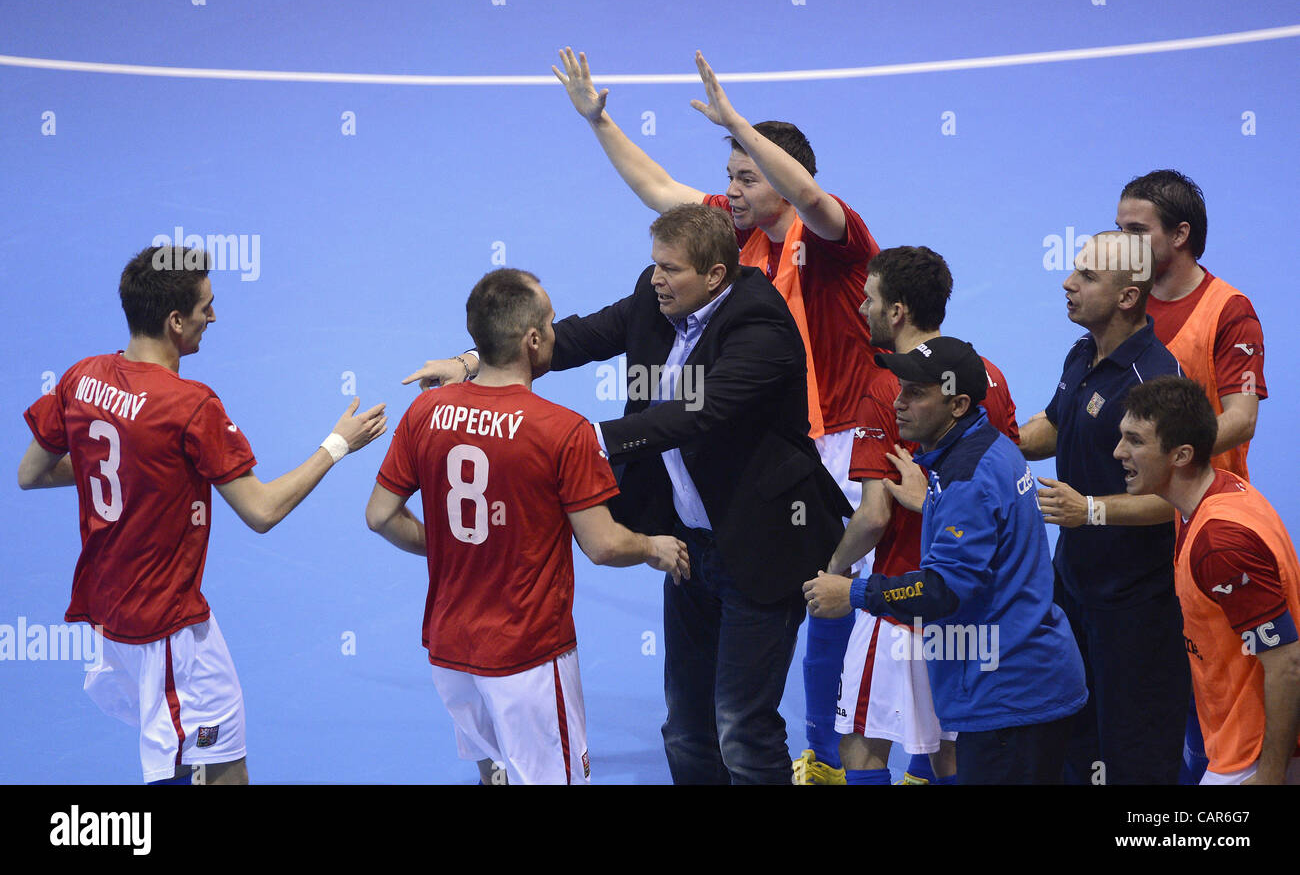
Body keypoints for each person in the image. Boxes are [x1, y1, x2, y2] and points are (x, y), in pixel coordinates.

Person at [403, 204, 851, 784]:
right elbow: (586, 335)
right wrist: (470, 362)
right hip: (689, 542)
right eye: (654, 265)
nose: (656, 278)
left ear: (715, 276)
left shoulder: (760, 326)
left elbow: (698, 412)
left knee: (741, 728)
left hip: (762, 542)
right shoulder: (658, 294)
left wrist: (581, 438)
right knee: (687, 727)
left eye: (671, 269)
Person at [551, 47, 882, 783]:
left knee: (835, 605)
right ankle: (818, 748)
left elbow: (816, 198)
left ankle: (833, 754)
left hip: (832, 443)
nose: (728, 190)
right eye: (728, 175)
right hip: (746, 434)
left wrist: (736, 119)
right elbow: (657, 187)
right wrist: (599, 121)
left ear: (782, 181)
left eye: (744, 176)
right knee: (718, 693)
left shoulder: (827, 242)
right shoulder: (725, 235)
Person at [18, 245, 387, 785]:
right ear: (175, 321)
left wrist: (137, 466)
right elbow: (261, 511)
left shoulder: (79, 378)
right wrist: (336, 445)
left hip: (115, 611)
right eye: (206, 308)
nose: (212, 318)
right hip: (167, 630)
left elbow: (33, 472)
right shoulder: (190, 404)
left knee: (219, 764)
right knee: (191, 770)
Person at [364, 269, 688, 785]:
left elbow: (380, 515)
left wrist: (453, 547)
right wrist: (652, 546)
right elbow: (602, 545)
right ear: (533, 339)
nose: (557, 334)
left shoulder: (425, 410)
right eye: (552, 323)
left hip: (451, 651)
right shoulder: (563, 430)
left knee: (494, 775)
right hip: (529, 655)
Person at [804, 337, 1087, 784]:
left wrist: (853, 592)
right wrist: (931, 502)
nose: (898, 403)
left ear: (956, 405)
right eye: (900, 389)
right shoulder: (990, 449)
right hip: (1027, 682)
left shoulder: (965, 480)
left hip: (1009, 699)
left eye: (915, 393)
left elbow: (943, 590)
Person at [818, 246, 1019, 786]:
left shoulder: (887, 389)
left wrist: (834, 569)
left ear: (897, 311)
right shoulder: (990, 377)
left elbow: (874, 516)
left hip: (900, 605)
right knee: (950, 750)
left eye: (869, 300)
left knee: (862, 747)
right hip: (975, 609)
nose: (861, 310)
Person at [1018, 231, 1189, 784]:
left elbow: (1172, 500)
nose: (1068, 283)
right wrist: (981, 438)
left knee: (1133, 753)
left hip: (1135, 602)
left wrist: (1089, 510)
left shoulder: (1156, 382)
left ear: (1127, 297)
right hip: (1072, 585)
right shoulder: (1083, 352)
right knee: (1069, 734)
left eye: (1088, 276)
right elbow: (1056, 421)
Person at [1114, 376, 1299, 784]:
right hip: (1235, 739)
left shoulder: (1220, 545)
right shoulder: (1213, 495)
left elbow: (1286, 663)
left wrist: (1269, 774)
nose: (1119, 452)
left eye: (1135, 441)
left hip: (1252, 756)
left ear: (1180, 455)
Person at [1115, 170, 1266, 480]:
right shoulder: (1121, 301)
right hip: (1132, 500)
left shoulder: (1231, 312)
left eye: (1136, 231)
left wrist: (1160, 453)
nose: (1122, 243)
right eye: (1120, 230)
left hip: (1198, 507)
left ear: (1180, 235)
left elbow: (1242, 420)